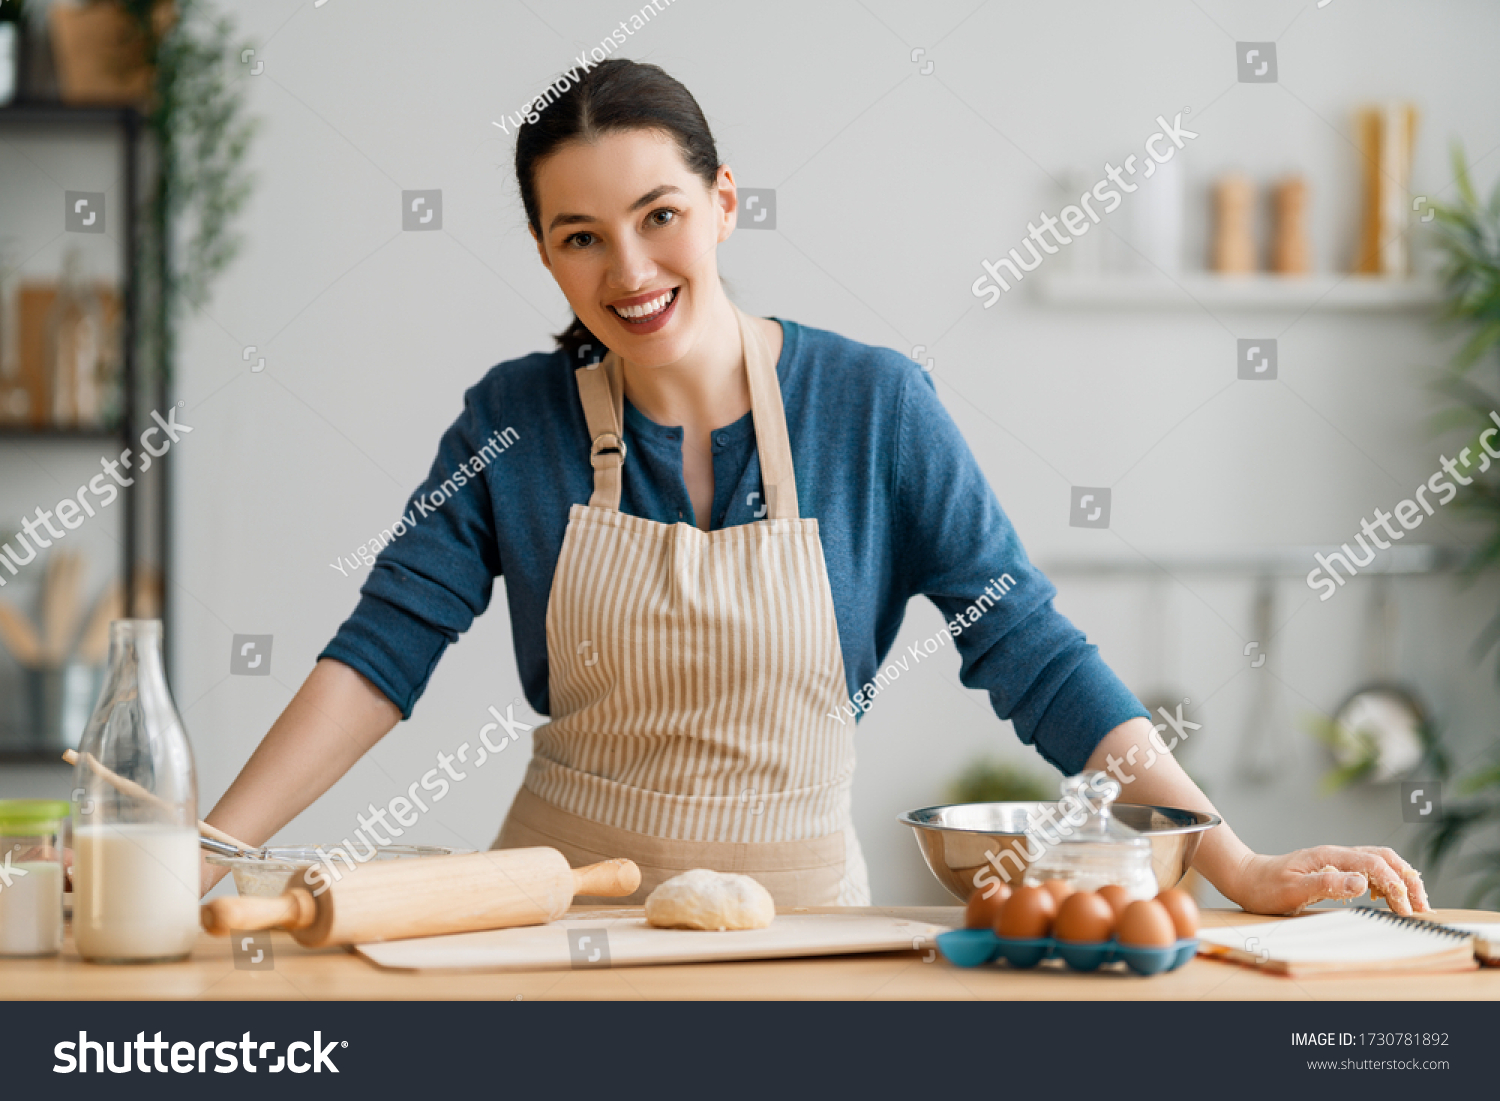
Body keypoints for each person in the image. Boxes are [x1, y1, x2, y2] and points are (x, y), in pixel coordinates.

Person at [201, 59, 1429, 915]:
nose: (628, 269)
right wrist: (206, 854)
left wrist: (1233, 862)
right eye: (580, 236)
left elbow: (1032, 652)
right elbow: (381, 652)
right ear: (545, 252)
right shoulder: (513, 422)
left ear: (725, 202)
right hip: (555, 935)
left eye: (659, 214)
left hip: (798, 938)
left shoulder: (875, 408)